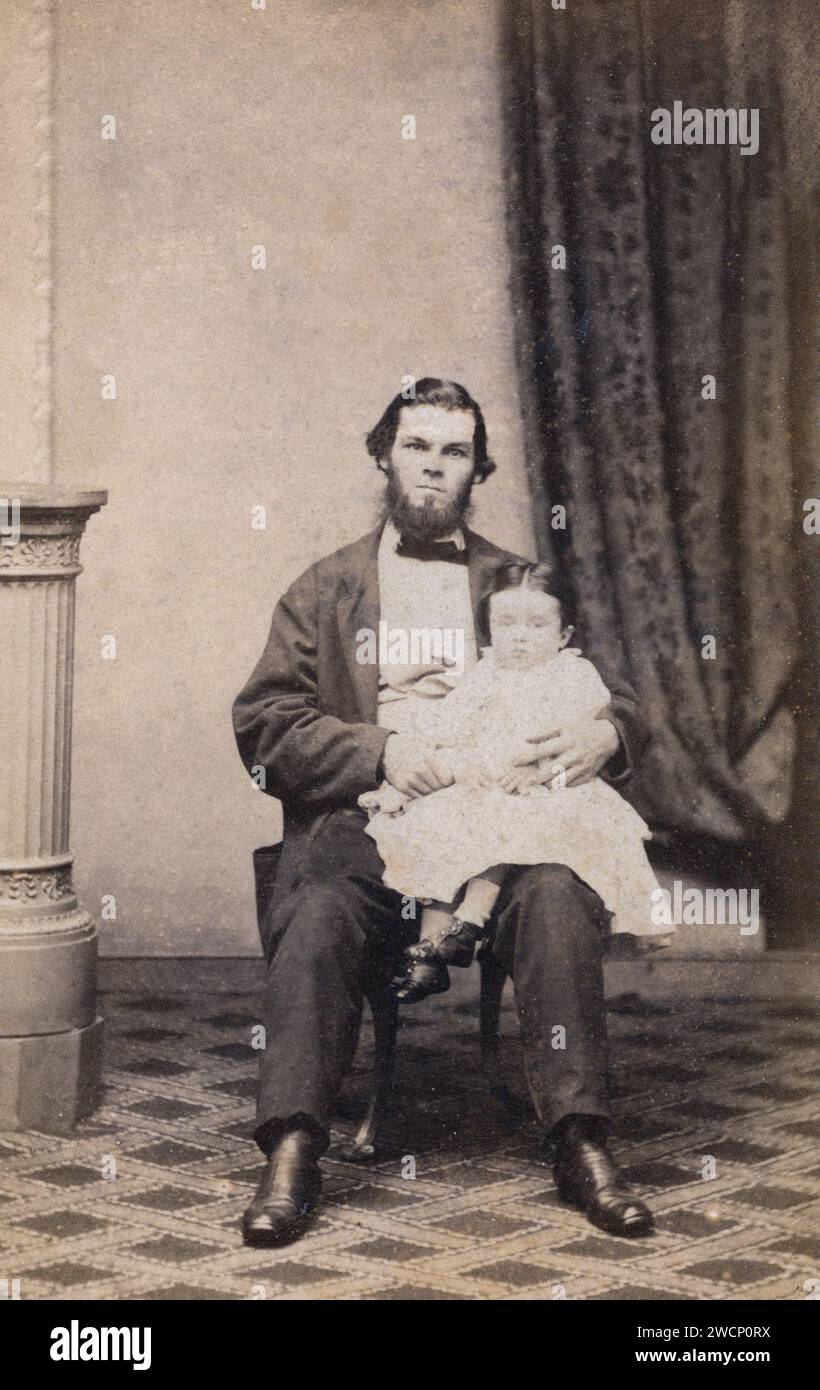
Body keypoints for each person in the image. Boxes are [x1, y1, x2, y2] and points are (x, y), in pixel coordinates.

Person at [233, 377, 656, 1247]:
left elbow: (612, 695)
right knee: (317, 907)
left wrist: (607, 737)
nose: (432, 467)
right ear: (385, 455)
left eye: (453, 451)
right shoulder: (327, 586)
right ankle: (292, 1148)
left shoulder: (516, 582)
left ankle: (581, 1139)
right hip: (369, 809)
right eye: (417, 446)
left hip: (500, 810)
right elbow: (265, 728)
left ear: (477, 469)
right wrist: (383, 752)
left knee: (556, 893)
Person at [358, 560, 673, 1002]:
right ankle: (428, 951)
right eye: (505, 623)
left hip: (543, 784)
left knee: (506, 825)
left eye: (537, 624)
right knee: (437, 830)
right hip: (486, 779)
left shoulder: (572, 675)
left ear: (564, 635)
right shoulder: (486, 674)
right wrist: (431, 756)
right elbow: (452, 721)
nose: (520, 635)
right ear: (488, 628)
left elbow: (574, 726)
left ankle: (472, 918)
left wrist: (529, 765)